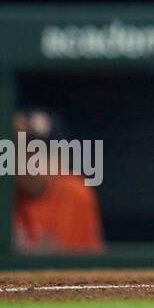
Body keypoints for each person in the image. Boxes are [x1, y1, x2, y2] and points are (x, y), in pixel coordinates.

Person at [12, 108, 104, 253]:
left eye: (40, 153)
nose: (28, 162)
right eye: (19, 150)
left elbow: (89, 269)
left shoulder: (75, 194)